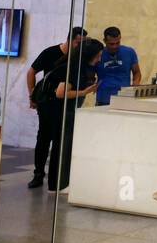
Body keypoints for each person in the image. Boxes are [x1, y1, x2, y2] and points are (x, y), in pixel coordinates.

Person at [37, 38, 102, 192]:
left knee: (62, 146)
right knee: (60, 146)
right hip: (56, 109)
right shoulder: (73, 68)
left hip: (60, 109)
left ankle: (60, 183)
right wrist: (84, 92)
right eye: (98, 55)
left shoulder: (77, 66)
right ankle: (56, 185)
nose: (99, 58)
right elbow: (61, 93)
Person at [27, 26, 86, 189]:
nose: (80, 47)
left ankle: (57, 176)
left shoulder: (77, 58)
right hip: (48, 103)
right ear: (70, 40)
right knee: (44, 138)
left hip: (65, 104)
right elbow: (31, 71)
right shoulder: (51, 52)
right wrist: (32, 94)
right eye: (78, 43)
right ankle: (38, 173)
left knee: (60, 140)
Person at [94, 26, 141, 106]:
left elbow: (137, 72)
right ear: (104, 41)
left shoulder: (129, 52)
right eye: (111, 44)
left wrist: (135, 84)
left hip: (125, 99)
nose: (114, 46)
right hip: (103, 99)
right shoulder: (98, 54)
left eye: (117, 43)